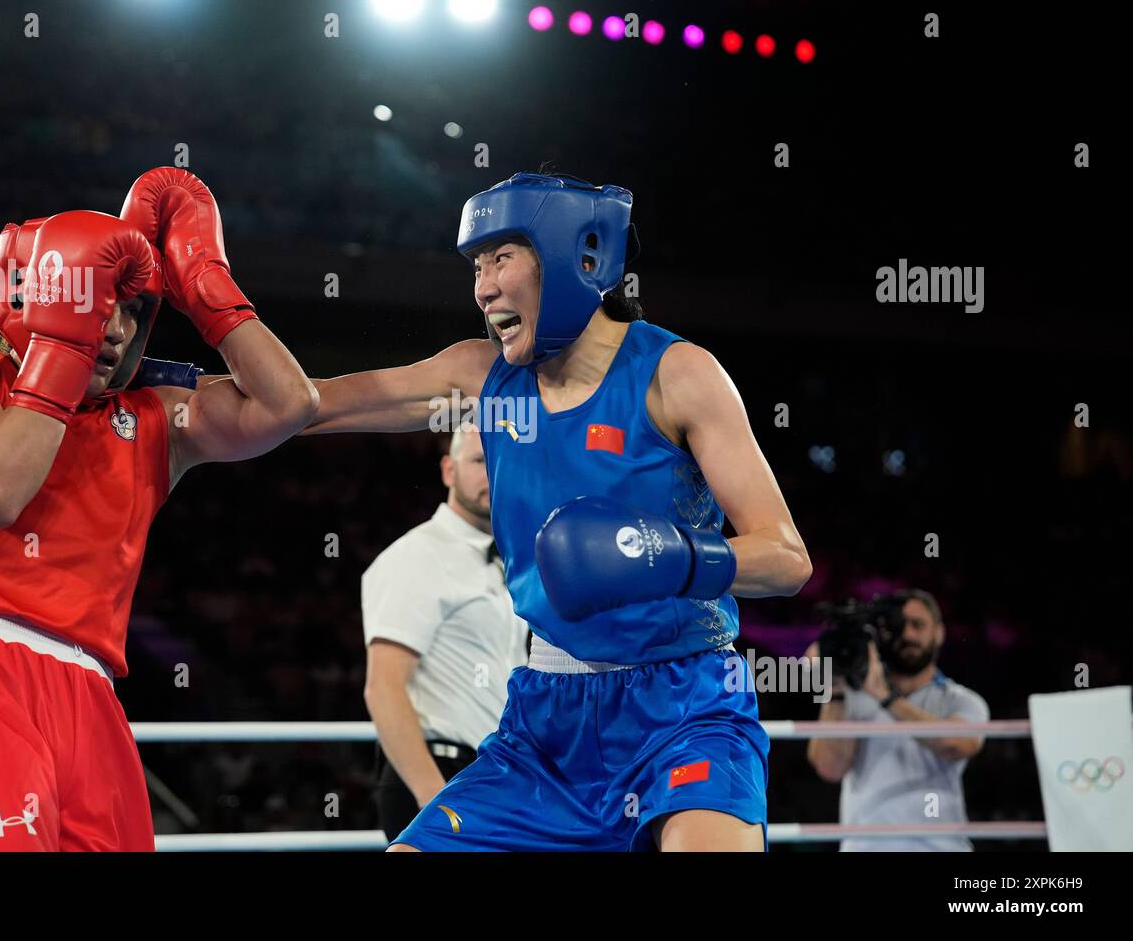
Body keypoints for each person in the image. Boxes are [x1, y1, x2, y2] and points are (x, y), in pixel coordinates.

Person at [306, 172, 811, 850]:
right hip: (545, 718)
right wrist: (192, 364)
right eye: (477, 265)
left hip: (685, 704)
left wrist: (661, 556)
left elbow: (785, 558)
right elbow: (311, 406)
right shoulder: (481, 376)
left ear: (578, 257)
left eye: (501, 258)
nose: (482, 286)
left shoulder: (677, 374)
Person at [0, 170, 317, 850]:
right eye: (93, 301)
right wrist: (63, 345)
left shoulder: (149, 415)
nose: (113, 327)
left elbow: (290, 406)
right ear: (28, 294)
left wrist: (207, 289)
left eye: (132, 310)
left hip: (94, 695)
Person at [363, 424, 530, 841]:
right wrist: (433, 798)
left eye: (500, 462)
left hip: (498, 772)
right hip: (440, 775)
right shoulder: (417, 557)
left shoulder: (512, 559)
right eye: (478, 461)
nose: (491, 474)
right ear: (448, 470)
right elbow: (382, 688)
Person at [806, 589, 989, 851]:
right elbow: (829, 768)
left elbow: (956, 745)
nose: (908, 635)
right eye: (898, 626)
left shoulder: (962, 701)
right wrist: (834, 688)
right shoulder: (851, 698)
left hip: (939, 847)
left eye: (918, 625)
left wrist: (885, 697)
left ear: (939, 632)